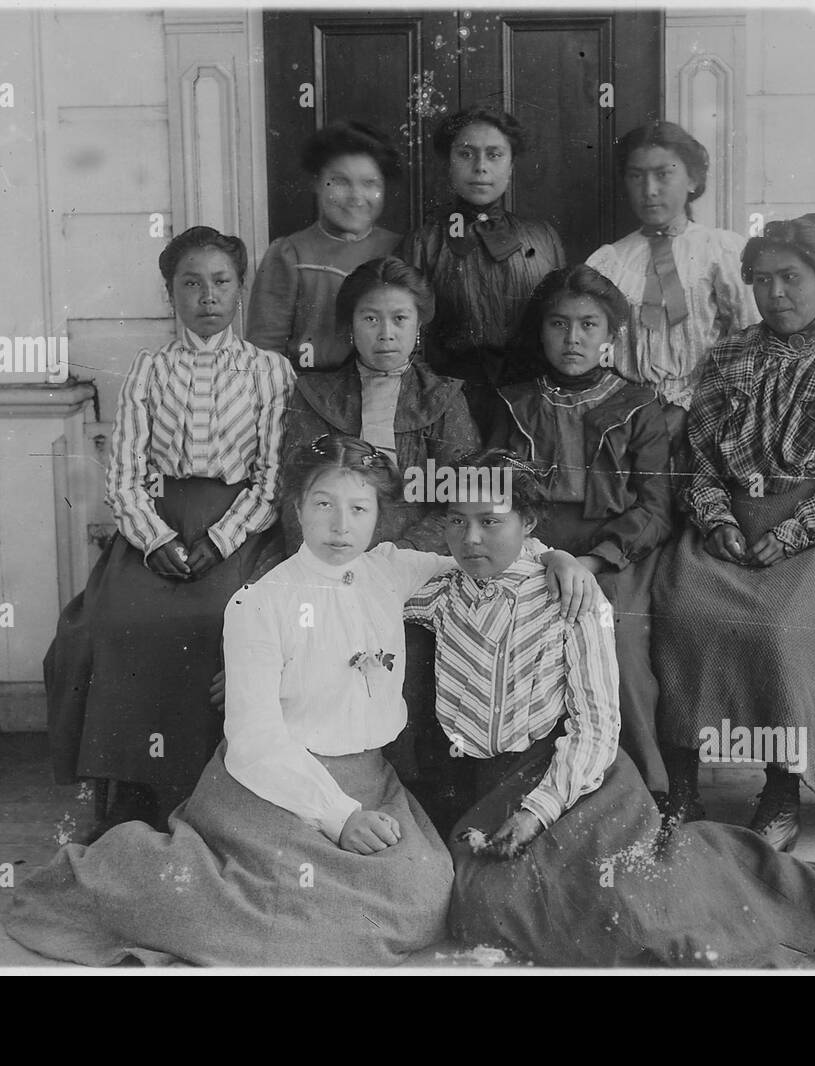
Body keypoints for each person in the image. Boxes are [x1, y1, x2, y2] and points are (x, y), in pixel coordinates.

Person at [5, 435, 600, 967]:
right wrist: (338, 818)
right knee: (276, 902)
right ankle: (126, 872)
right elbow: (256, 743)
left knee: (422, 902)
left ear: (379, 518)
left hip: (368, 781)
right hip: (270, 784)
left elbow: (489, 552)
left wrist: (557, 557)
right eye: (324, 505)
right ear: (296, 510)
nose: (341, 525)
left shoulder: (391, 571)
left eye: (359, 509)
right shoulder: (259, 603)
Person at [405, 450, 815, 968]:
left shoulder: (572, 600)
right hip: (486, 783)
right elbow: (361, 574)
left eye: (491, 521)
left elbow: (597, 726)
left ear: (527, 520)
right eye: (455, 521)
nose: (471, 539)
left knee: (623, 911)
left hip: (573, 777)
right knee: (484, 906)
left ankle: (762, 891)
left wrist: (535, 813)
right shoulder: (435, 592)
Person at [650, 214, 815, 850]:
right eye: (761, 281)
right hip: (734, 521)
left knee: (782, 631)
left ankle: (781, 786)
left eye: (791, 278)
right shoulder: (730, 356)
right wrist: (714, 518)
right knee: (679, 609)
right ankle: (681, 780)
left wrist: (795, 532)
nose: (776, 295)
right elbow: (703, 459)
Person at [45, 225, 293, 833]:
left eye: (221, 282)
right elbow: (125, 473)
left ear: (241, 290)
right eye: (190, 283)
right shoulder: (149, 371)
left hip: (239, 526)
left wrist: (219, 539)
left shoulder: (270, 372)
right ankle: (133, 787)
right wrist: (153, 539)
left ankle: (215, 789)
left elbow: (273, 478)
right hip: (155, 525)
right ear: (170, 293)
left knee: (216, 622)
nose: (207, 296)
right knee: (120, 620)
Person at [277, 256, 480, 801]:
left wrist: (396, 559)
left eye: (399, 319)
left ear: (419, 328)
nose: (385, 333)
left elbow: (460, 501)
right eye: (370, 319)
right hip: (331, 551)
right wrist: (330, 567)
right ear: (350, 327)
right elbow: (297, 493)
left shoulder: (444, 400)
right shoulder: (316, 395)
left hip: (419, 557)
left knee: (420, 645)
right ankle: (341, 783)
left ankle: (426, 792)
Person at [489, 264, 675, 810]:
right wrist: (534, 551)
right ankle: (533, 787)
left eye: (589, 325)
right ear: (541, 331)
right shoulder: (513, 402)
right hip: (532, 547)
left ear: (610, 336)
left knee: (611, 638)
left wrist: (592, 561)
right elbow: (497, 492)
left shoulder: (640, 405)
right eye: (559, 324)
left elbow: (656, 506)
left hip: (615, 553)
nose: (573, 339)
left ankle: (644, 789)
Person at [586, 121, 758, 466]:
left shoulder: (719, 251)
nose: (649, 189)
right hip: (629, 423)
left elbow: (748, 346)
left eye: (664, 174)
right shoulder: (609, 262)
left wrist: (688, 407)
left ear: (692, 180)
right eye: (636, 176)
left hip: (711, 417)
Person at [400, 106, 566, 435]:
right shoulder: (424, 241)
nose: (480, 168)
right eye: (466, 154)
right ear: (449, 164)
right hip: (448, 407)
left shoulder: (542, 238)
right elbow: (411, 339)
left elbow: (561, 319)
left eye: (494, 155)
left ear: (511, 166)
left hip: (532, 405)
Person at [247, 120, 402, 372]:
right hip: (308, 393)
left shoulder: (399, 249)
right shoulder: (290, 254)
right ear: (317, 183)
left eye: (370, 183)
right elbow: (264, 351)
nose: (356, 196)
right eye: (340, 182)